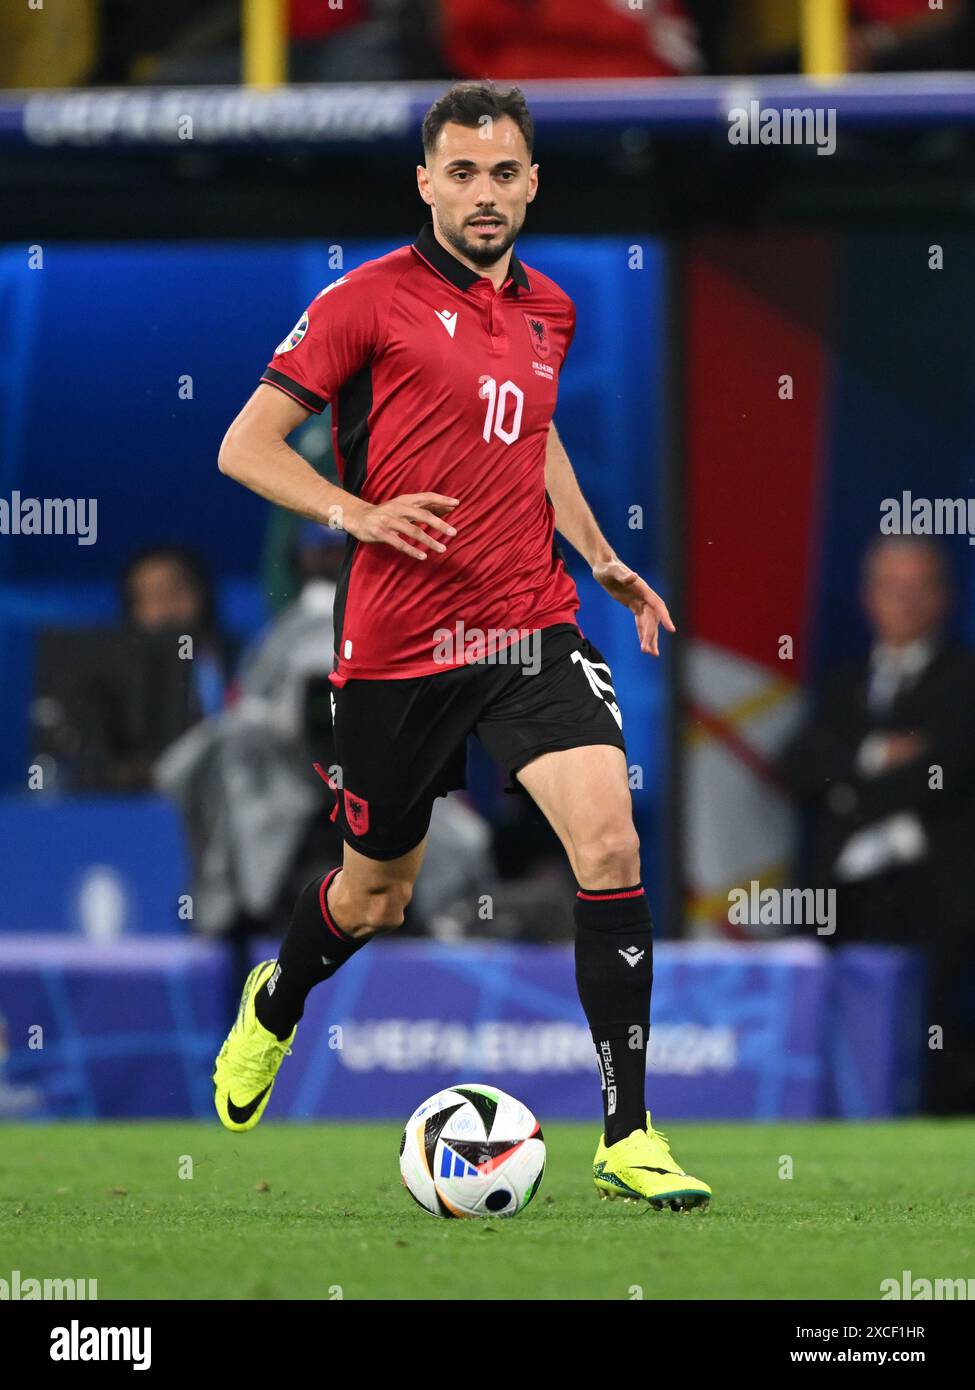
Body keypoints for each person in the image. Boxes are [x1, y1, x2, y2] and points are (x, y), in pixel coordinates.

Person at [213, 81, 711, 1210]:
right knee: (376, 894)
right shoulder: (365, 301)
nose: (485, 194)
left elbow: (532, 441)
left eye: (504, 174)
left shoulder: (553, 311)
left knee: (611, 844)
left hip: (531, 623)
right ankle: (279, 999)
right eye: (463, 173)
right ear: (427, 182)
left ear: (532, 182)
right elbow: (245, 445)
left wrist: (595, 552)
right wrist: (356, 512)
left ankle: (628, 1131)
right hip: (399, 646)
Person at [779, 537, 975, 1113]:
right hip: (842, 895)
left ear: (945, 597)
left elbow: (951, 769)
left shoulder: (964, 678)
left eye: (920, 588)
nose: (905, 603)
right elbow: (798, 765)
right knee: (830, 1019)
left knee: (931, 1028)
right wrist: (875, 755)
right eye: (893, 588)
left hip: (937, 895)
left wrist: (851, 787)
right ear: (869, 598)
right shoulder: (842, 681)